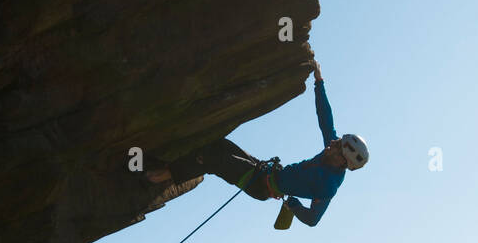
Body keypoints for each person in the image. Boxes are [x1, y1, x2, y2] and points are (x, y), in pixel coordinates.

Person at [147, 60, 367, 226]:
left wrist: (294, 205)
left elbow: (312, 219)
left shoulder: (328, 186)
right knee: (219, 145)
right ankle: (171, 166)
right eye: (337, 142)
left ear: (343, 161)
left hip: (261, 186)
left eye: (337, 147)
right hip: (264, 170)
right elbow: (325, 118)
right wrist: (319, 81)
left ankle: (165, 175)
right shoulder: (333, 153)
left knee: (214, 159)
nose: (332, 144)